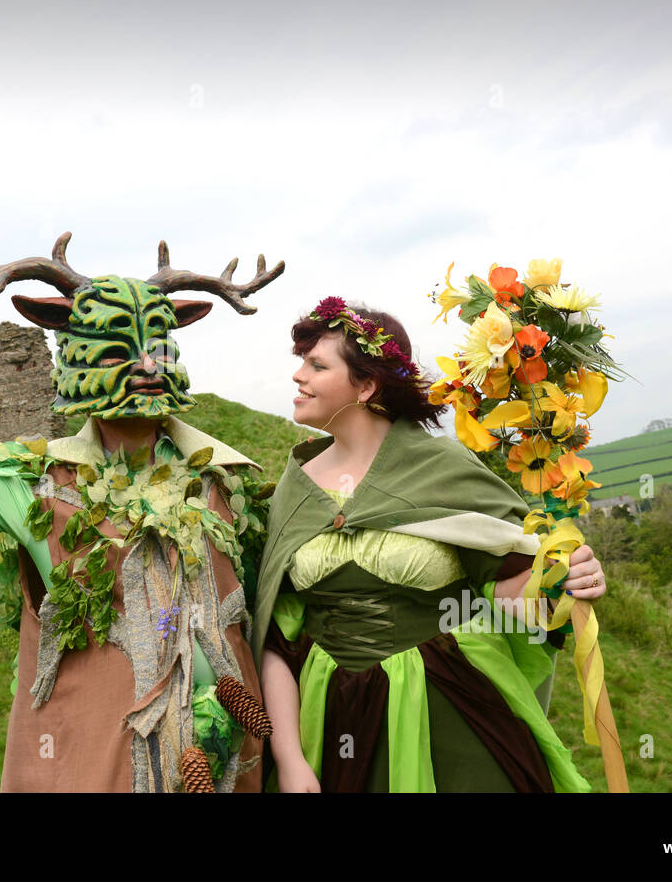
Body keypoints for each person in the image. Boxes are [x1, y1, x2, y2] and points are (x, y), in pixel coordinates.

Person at [0, 238, 284, 791]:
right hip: (96, 763)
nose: (146, 366)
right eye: (116, 351)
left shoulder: (223, 481)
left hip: (228, 754)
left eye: (157, 345)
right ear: (75, 355)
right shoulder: (35, 487)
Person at [253, 299, 605, 792]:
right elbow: (279, 636)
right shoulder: (293, 487)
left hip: (450, 709)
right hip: (331, 723)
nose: (298, 376)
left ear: (367, 385)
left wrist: (563, 580)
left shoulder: (442, 467)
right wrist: (289, 759)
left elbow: (507, 591)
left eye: (316, 365)